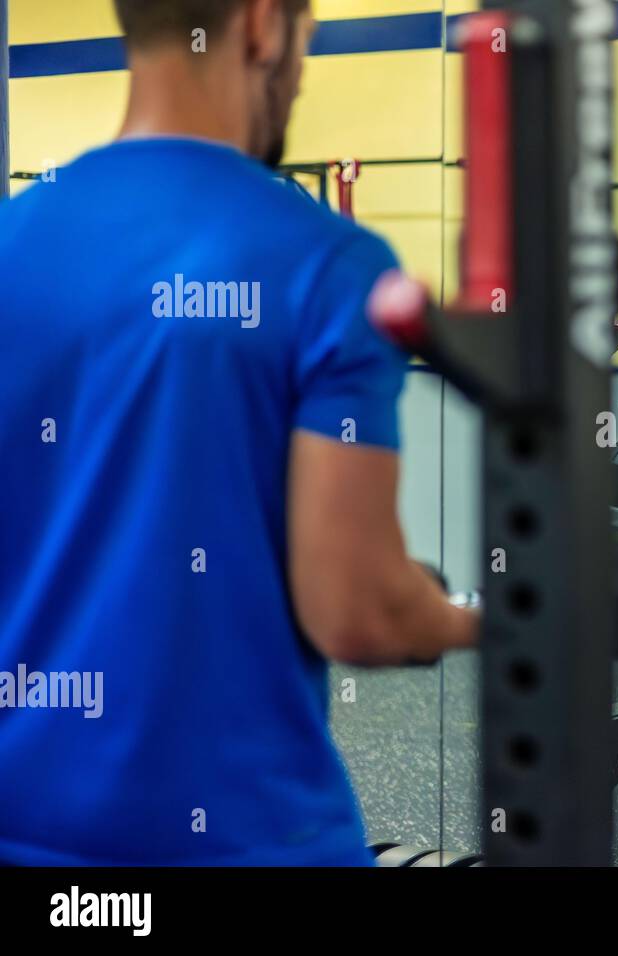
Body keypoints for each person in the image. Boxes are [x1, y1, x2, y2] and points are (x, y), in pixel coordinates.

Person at [0, 0, 476, 866]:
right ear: (263, 24)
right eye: (306, 34)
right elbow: (359, 613)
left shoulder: (12, 241)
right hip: (247, 841)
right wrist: (486, 621)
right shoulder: (326, 262)